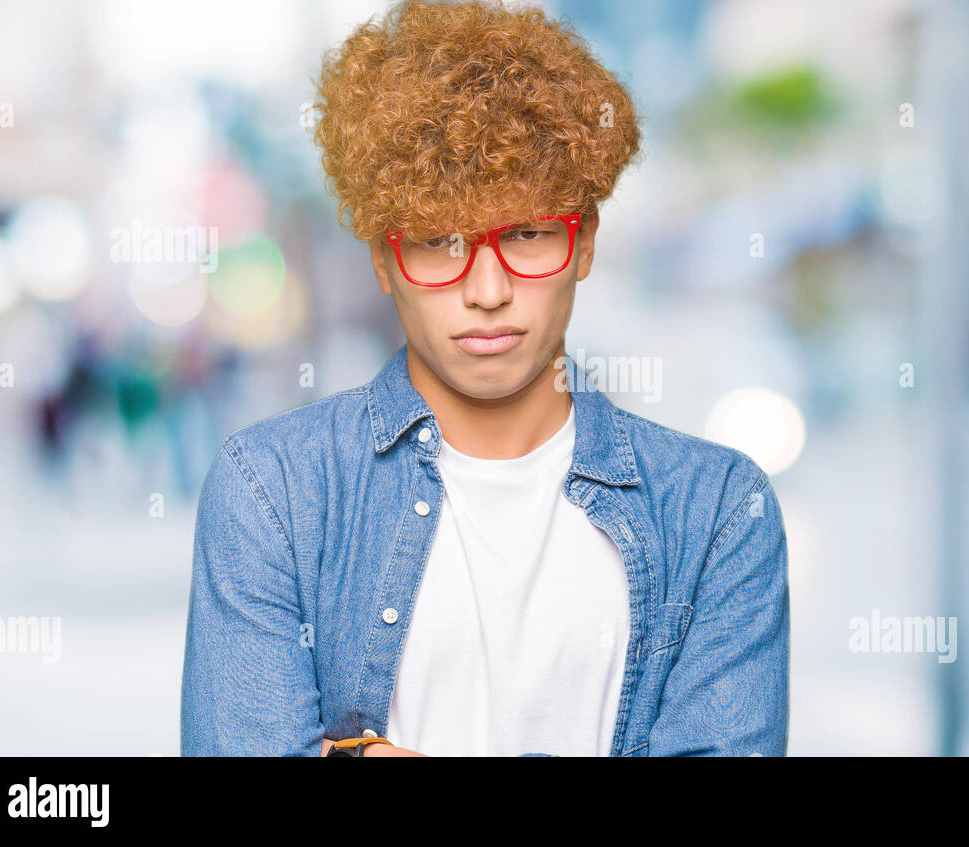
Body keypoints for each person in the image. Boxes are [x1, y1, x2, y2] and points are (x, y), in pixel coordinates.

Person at [180, 0, 789, 757]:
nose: (489, 289)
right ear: (381, 258)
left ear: (585, 241)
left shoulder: (720, 511)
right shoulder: (273, 490)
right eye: (440, 243)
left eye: (528, 234)